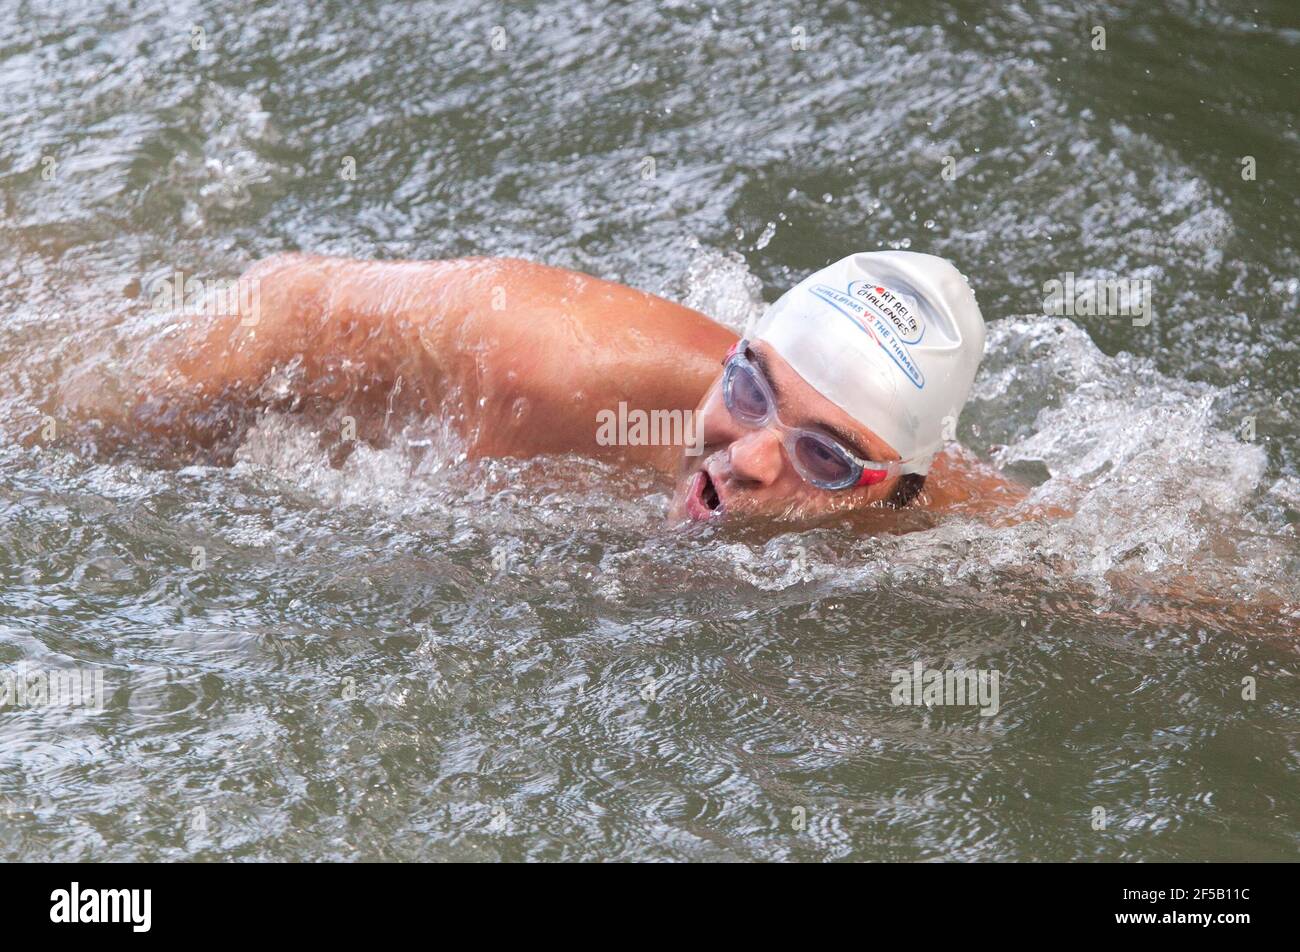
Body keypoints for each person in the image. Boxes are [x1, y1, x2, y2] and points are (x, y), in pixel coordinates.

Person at [63, 250, 1027, 525]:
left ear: (891, 484)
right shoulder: (547, 369)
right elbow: (283, 301)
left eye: (823, 455)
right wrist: (134, 420)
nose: (747, 456)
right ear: (736, 353)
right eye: (751, 387)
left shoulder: (921, 509)